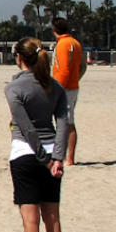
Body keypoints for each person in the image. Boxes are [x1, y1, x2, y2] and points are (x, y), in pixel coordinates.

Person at [5, 38, 69, 232]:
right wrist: (58, 158)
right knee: (52, 217)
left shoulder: (14, 88)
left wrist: (44, 158)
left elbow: (26, 128)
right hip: (52, 153)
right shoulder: (55, 87)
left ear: (20, 58)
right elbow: (63, 123)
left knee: (31, 220)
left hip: (26, 155)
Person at [50, 17, 87, 166]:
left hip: (64, 88)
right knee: (65, 122)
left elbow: (64, 69)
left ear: (54, 30)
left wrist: (57, 88)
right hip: (73, 86)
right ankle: (66, 156)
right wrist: (76, 79)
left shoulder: (63, 44)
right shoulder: (76, 43)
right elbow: (83, 66)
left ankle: (69, 158)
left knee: (66, 122)